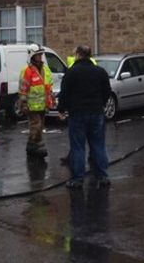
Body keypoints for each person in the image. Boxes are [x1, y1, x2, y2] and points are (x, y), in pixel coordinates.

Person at [57, 44, 111, 188]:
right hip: (96, 112)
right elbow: (107, 91)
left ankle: (77, 179)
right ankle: (102, 176)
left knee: (78, 147)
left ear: (78, 54)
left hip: (78, 114)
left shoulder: (72, 72)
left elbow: (64, 93)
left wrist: (61, 109)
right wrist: (101, 104)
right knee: (98, 145)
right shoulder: (100, 72)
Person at [18, 43, 54, 158]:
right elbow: (23, 89)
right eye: (38, 55)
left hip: (43, 105)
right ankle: (36, 145)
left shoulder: (45, 69)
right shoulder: (27, 71)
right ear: (32, 56)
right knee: (36, 126)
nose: (40, 56)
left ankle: (31, 146)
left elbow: (49, 87)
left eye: (41, 54)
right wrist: (23, 104)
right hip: (32, 105)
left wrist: (51, 100)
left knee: (40, 126)